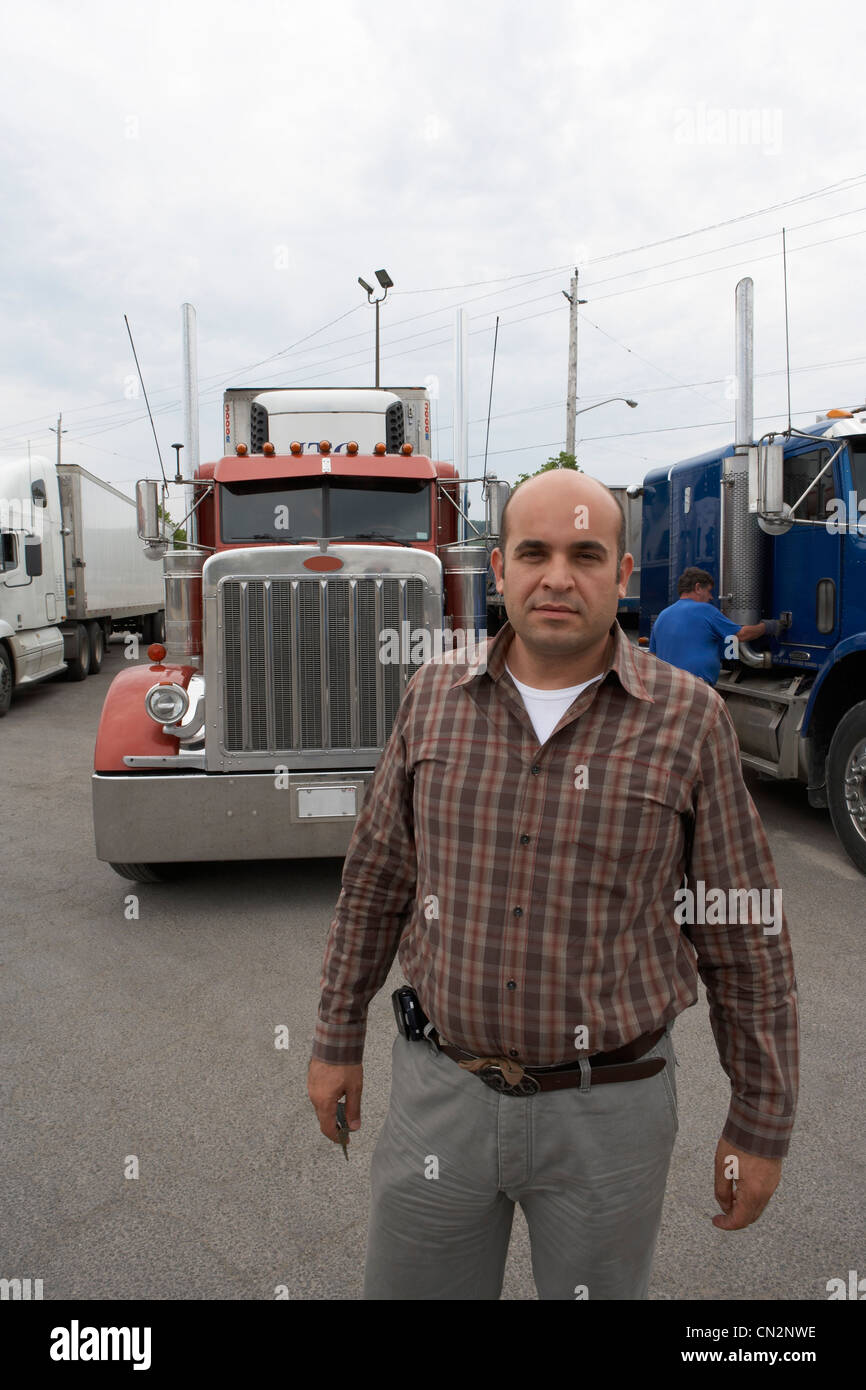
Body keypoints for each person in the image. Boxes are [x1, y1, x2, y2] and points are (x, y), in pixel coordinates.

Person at [307, 469, 798, 1301]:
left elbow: (743, 934)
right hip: (439, 1096)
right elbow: (376, 881)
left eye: (585, 554)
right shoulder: (432, 697)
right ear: (499, 569)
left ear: (622, 572)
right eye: (533, 553)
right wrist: (334, 1035)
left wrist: (760, 1123)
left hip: (611, 1115)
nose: (557, 576)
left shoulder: (689, 720)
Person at [649, 567, 785, 685]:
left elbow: (653, 656)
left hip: (668, 686)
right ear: (697, 588)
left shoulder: (662, 616)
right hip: (695, 687)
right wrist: (768, 626)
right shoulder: (705, 610)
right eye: (709, 591)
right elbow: (742, 635)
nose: (711, 597)